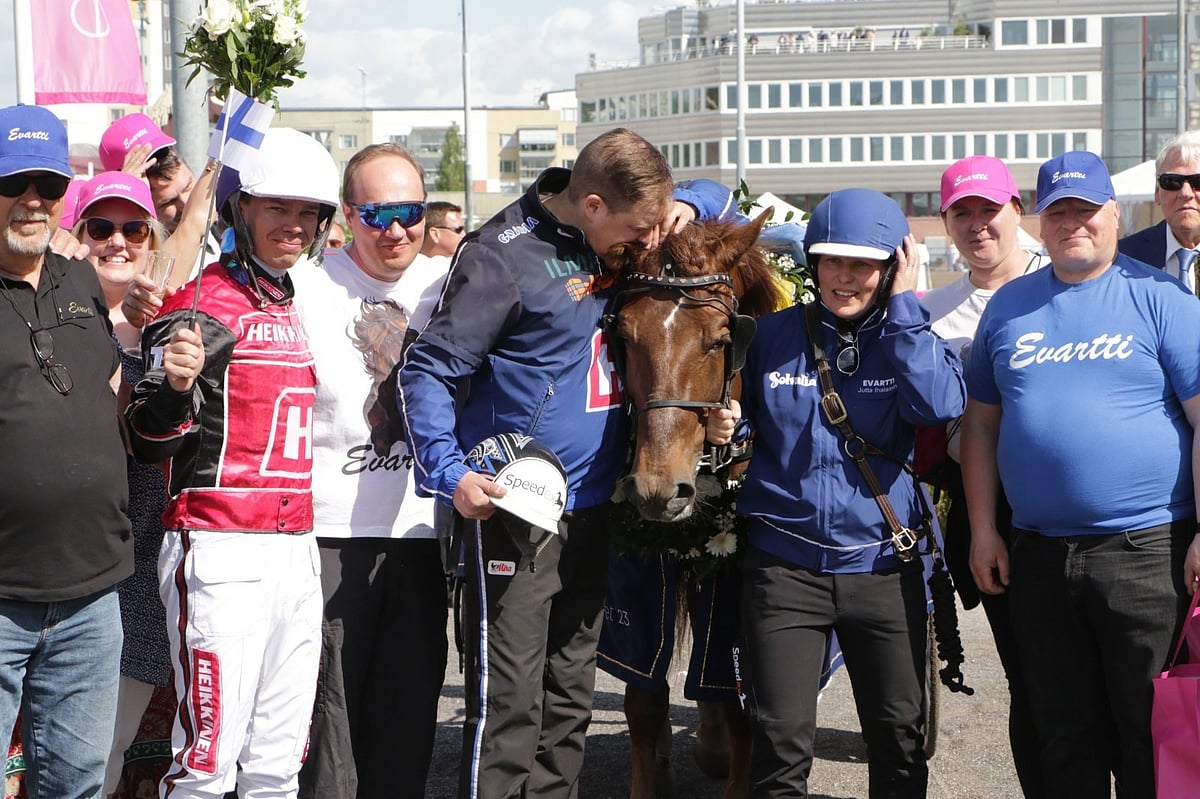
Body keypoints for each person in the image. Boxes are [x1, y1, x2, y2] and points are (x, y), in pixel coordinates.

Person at [398, 127, 684, 799]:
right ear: (589, 205)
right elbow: (427, 371)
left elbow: (698, 217)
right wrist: (450, 472)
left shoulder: (617, 239)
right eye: (638, 229)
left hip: (592, 510)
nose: (649, 243)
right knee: (510, 710)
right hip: (513, 509)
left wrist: (685, 209)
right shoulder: (501, 258)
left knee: (569, 702)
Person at [707, 188, 965, 798]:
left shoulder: (910, 334)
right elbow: (743, 423)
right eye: (833, 262)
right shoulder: (768, 336)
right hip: (784, 568)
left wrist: (904, 310)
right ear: (814, 263)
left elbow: (939, 405)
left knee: (899, 736)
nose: (846, 278)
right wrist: (728, 425)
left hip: (882, 565)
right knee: (781, 741)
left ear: (892, 266)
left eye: (864, 265)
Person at [961, 150, 1200, 797]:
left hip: (1149, 553)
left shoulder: (1162, 299)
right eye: (1059, 210)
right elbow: (980, 425)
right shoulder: (1008, 310)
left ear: (1115, 215)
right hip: (1039, 555)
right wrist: (984, 528)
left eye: (1086, 209)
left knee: (1152, 731)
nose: (1074, 222)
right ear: (1039, 219)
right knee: (1063, 734)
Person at [124, 127, 339, 799]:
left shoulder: (312, 299)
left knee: (279, 764)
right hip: (219, 547)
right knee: (207, 763)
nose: (295, 226)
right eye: (279, 208)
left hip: (297, 550)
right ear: (242, 209)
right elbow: (148, 433)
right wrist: (175, 386)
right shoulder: (200, 299)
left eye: (309, 213)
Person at [292, 143, 450, 799]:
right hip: (327, 539)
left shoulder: (449, 282)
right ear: (346, 216)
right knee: (330, 742)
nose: (395, 230)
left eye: (410, 212)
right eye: (377, 214)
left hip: (420, 541)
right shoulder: (304, 286)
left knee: (406, 733)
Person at [0, 103, 132, 798]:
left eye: (48, 186)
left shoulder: (80, 279)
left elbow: (107, 395)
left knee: (77, 784)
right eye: (14, 182)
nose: (32, 200)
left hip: (90, 592)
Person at [918, 155, 1046, 798]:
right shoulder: (929, 311)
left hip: (1065, 507)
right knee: (1029, 681)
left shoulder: (1063, 281)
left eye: (988, 210)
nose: (977, 226)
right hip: (983, 505)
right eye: (960, 213)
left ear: (1016, 210)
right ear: (944, 223)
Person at [67, 172, 174, 799]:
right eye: (99, 228)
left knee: (109, 751)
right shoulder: (46, 323)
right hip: (59, 566)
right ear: (75, 238)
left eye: (134, 228)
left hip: (143, 567)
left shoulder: (171, 331)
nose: (118, 241)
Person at [1118, 130, 1200, 288]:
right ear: (1157, 192)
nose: (1185, 193)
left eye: (1198, 181)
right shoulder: (1123, 257)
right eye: (1171, 181)